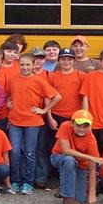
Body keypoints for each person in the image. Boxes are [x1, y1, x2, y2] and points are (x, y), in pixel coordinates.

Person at [4, 52, 59, 195]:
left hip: (33, 121)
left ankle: (28, 182)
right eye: (22, 64)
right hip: (15, 119)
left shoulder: (39, 81)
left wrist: (44, 110)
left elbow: (56, 97)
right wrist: (9, 102)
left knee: (29, 152)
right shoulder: (13, 79)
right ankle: (15, 181)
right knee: (15, 152)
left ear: (33, 65)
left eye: (28, 64)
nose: (25, 67)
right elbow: (7, 94)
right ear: (18, 65)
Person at [41, 48, 86, 187]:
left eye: (69, 59)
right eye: (63, 59)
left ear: (74, 61)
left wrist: (83, 117)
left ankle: (74, 178)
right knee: (54, 148)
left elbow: (84, 97)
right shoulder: (52, 76)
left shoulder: (81, 75)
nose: (66, 62)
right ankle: (54, 177)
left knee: (73, 148)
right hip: (56, 116)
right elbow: (47, 97)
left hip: (73, 118)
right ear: (59, 61)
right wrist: (49, 117)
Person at [50, 112, 103, 204]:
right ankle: (67, 197)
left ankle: (65, 189)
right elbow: (66, 150)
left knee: (81, 200)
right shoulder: (65, 126)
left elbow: (92, 170)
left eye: (85, 126)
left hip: (81, 165)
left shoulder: (91, 140)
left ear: (90, 126)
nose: (82, 129)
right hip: (60, 157)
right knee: (69, 160)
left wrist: (92, 195)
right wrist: (90, 157)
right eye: (79, 125)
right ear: (72, 123)